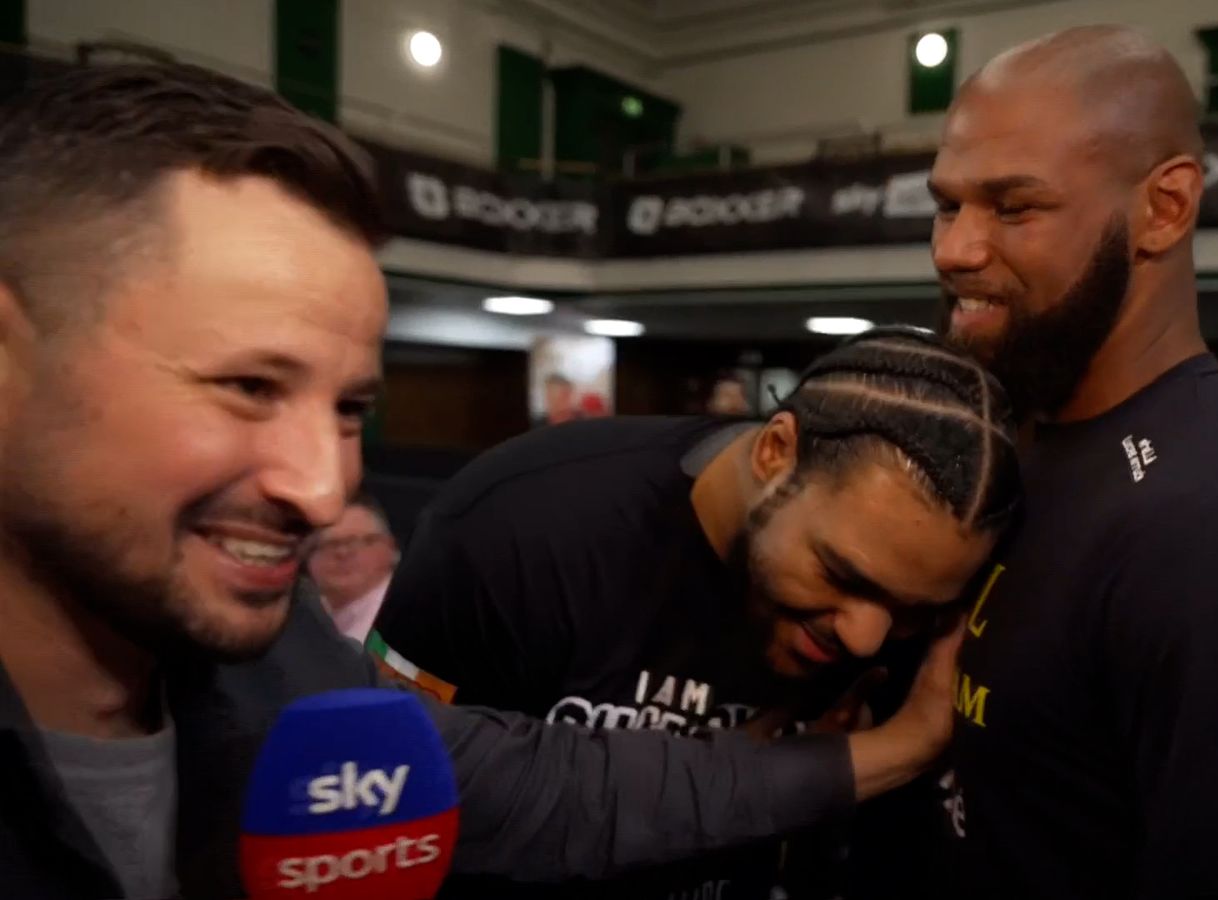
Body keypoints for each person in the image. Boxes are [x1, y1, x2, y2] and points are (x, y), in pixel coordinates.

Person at [0, 62, 958, 899]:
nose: (325, 490)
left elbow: (548, 789)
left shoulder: (276, 669)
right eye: (248, 387)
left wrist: (890, 750)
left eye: (347, 409)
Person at [927, 26, 1218, 898]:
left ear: (1166, 208)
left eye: (1014, 206)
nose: (954, 248)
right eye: (947, 204)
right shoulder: (1026, 435)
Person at [373, 326, 1021, 899]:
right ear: (776, 453)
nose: (865, 636)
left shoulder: (900, 622)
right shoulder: (516, 528)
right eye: (840, 575)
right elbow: (389, 792)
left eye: (911, 613)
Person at [307, 493, 399, 642]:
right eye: (329, 544)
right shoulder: (300, 619)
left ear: (390, 547)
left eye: (356, 542)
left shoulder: (408, 616)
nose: (342, 553)